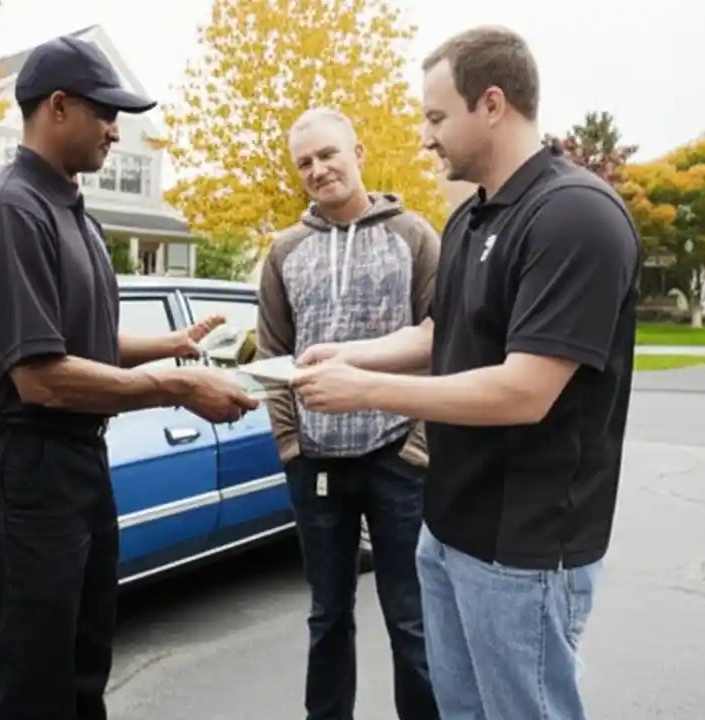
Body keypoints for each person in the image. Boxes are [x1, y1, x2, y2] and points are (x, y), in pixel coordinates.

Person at [290, 26, 642, 720]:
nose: (426, 137)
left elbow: (525, 389)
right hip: (447, 528)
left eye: (435, 116)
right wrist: (351, 354)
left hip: (526, 547)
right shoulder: (472, 220)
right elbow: (440, 335)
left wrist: (365, 391)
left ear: (491, 103)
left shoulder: (574, 215)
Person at [0, 36, 259, 720]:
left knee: (83, 658)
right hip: (26, 460)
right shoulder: (10, 212)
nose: (118, 129)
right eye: (107, 112)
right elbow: (40, 376)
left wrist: (168, 348)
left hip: (76, 459)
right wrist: (179, 388)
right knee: (32, 677)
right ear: (58, 107)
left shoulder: (71, 213)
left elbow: (79, 341)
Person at [256, 107, 441, 720]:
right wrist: (291, 448)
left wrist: (417, 444)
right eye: (304, 162)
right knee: (326, 616)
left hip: (397, 457)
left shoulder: (414, 236)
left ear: (359, 152)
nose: (317, 169)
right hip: (317, 466)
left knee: (411, 618)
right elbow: (272, 355)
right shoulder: (285, 251)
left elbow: (441, 340)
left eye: (328, 154)